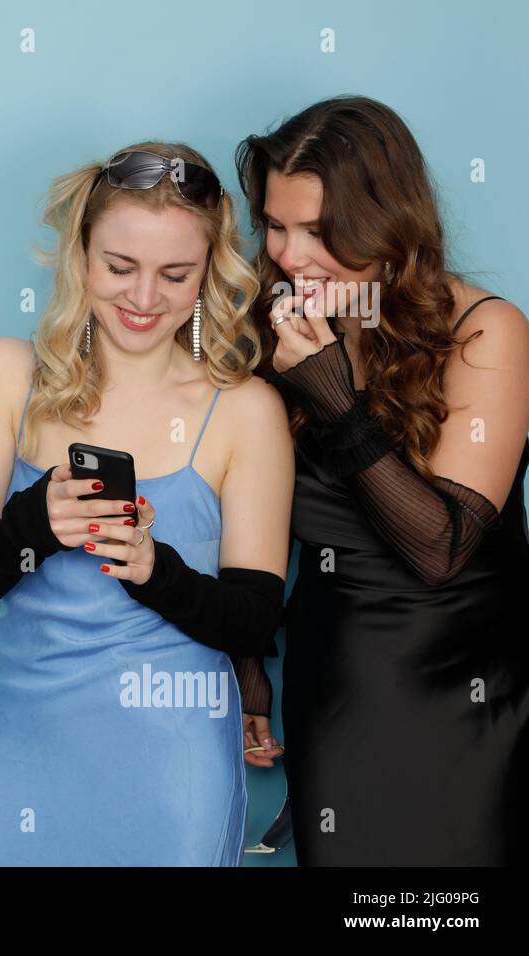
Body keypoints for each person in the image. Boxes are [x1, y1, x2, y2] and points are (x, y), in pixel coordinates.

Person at [0, 143, 292, 865]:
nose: (143, 298)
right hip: (22, 749)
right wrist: (35, 523)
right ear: (81, 257)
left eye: (175, 275)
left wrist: (150, 568)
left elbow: (254, 617)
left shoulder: (244, 409)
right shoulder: (7, 374)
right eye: (119, 267)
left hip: (173, 770)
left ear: (210, 273)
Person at [237, 94, 529, 865]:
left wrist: (336, 400)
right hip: (343, 701)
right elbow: (236, 512)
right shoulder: (272, 333)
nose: (290, 255)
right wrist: (247, 667)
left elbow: (441, 549)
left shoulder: (485, 330)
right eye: (275, 225)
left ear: (383, 220)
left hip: (473, 703)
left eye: (318, 230)